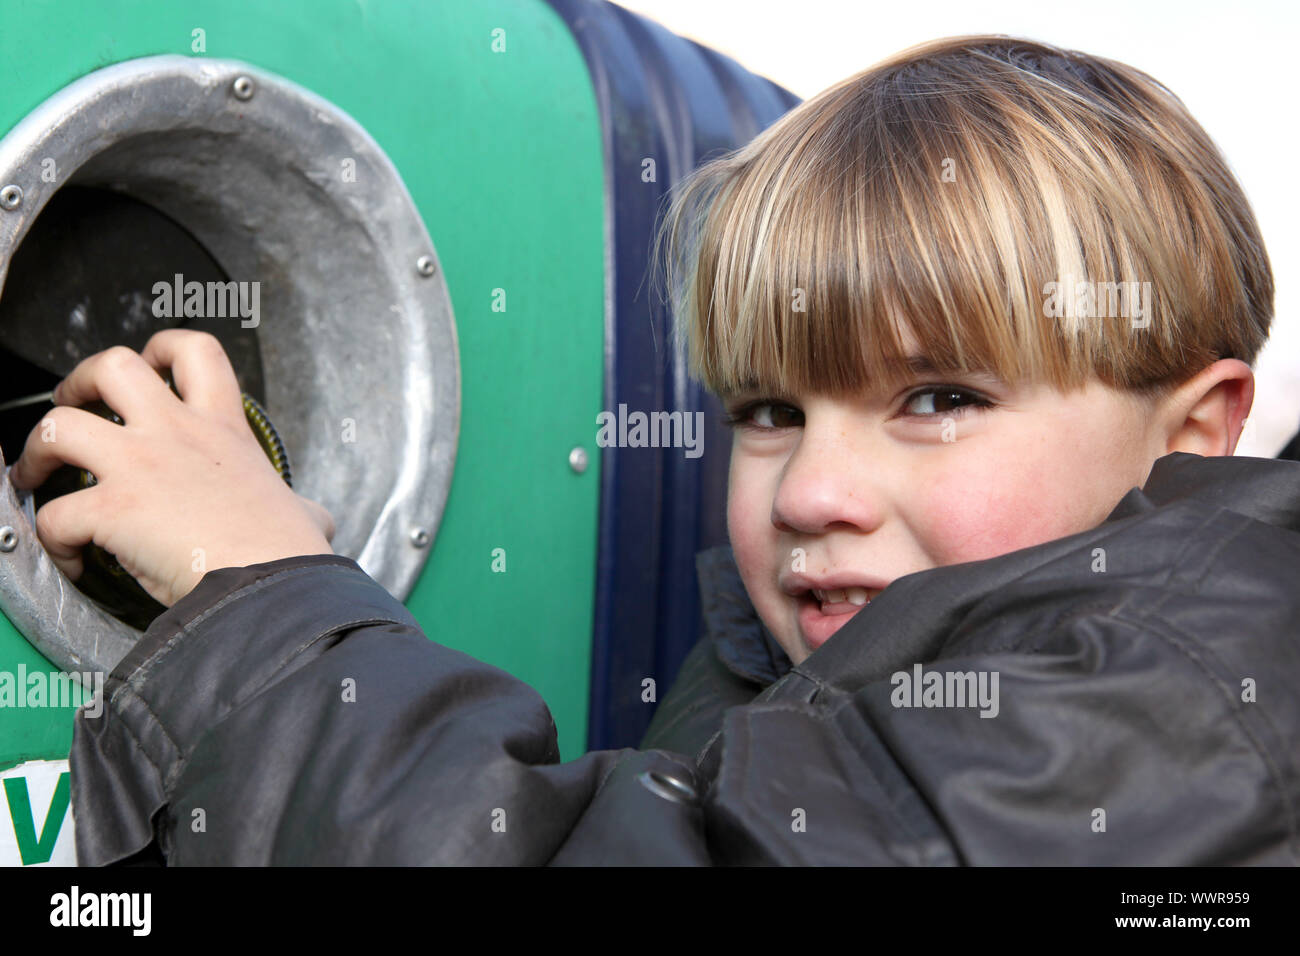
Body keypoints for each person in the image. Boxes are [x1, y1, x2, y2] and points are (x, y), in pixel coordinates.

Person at [9, 35, 1298, 865]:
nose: (813, 491)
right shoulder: (783, 665)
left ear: (1192, 432)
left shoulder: (1186, 720)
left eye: (939, 399)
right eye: (770, 414)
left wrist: (262, 600)